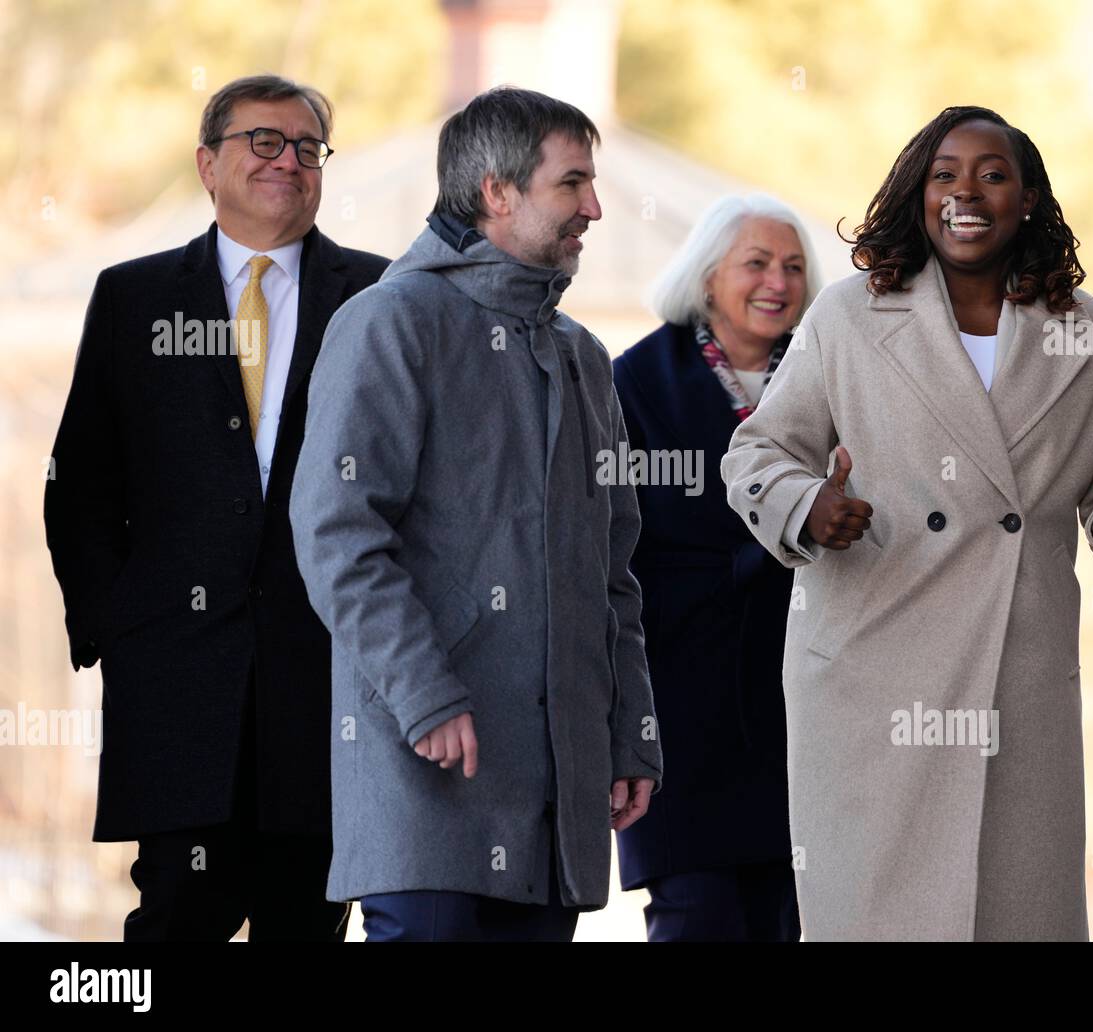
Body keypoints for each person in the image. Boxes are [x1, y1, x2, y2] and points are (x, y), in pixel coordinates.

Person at [720, 105, 1093, 941]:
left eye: (992, 175)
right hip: (871, 685)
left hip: (1019, 686)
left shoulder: (1089, 334)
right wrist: (809, 506)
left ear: (1028, 199)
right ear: (918, 194)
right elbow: (756, 457)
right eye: (945, 175)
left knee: (1017, 914)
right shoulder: (849, 315)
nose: (965, 193)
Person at [289, 86, 663, 942]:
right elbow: (337, 535)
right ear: (497, 191)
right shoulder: (389, 323)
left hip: (556, 815)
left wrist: (628, 734)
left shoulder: (581, 356)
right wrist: (423, 694)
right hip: (428, 789)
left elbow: (615, 572)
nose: (595, 208)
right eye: (572, 184)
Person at [43, 74, 389, 940]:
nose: (289, 160)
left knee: (308, 925)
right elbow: (80, 482)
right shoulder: (135, 296)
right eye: (263, 141)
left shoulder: (380, 300)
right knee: (172, 921)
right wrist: (116, 623)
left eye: (308, 146)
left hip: (326, 693)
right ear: (208, 163)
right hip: (177, 691)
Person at [612, 194, 821, 941]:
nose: (778, 282)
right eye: (757, 263)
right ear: (707, 277)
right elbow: (620, 545)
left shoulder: (829, 379)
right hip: (682, 704)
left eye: (794, 267)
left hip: (805, 702)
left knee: (791, 919)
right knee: (698, 917)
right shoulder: (635, 382)